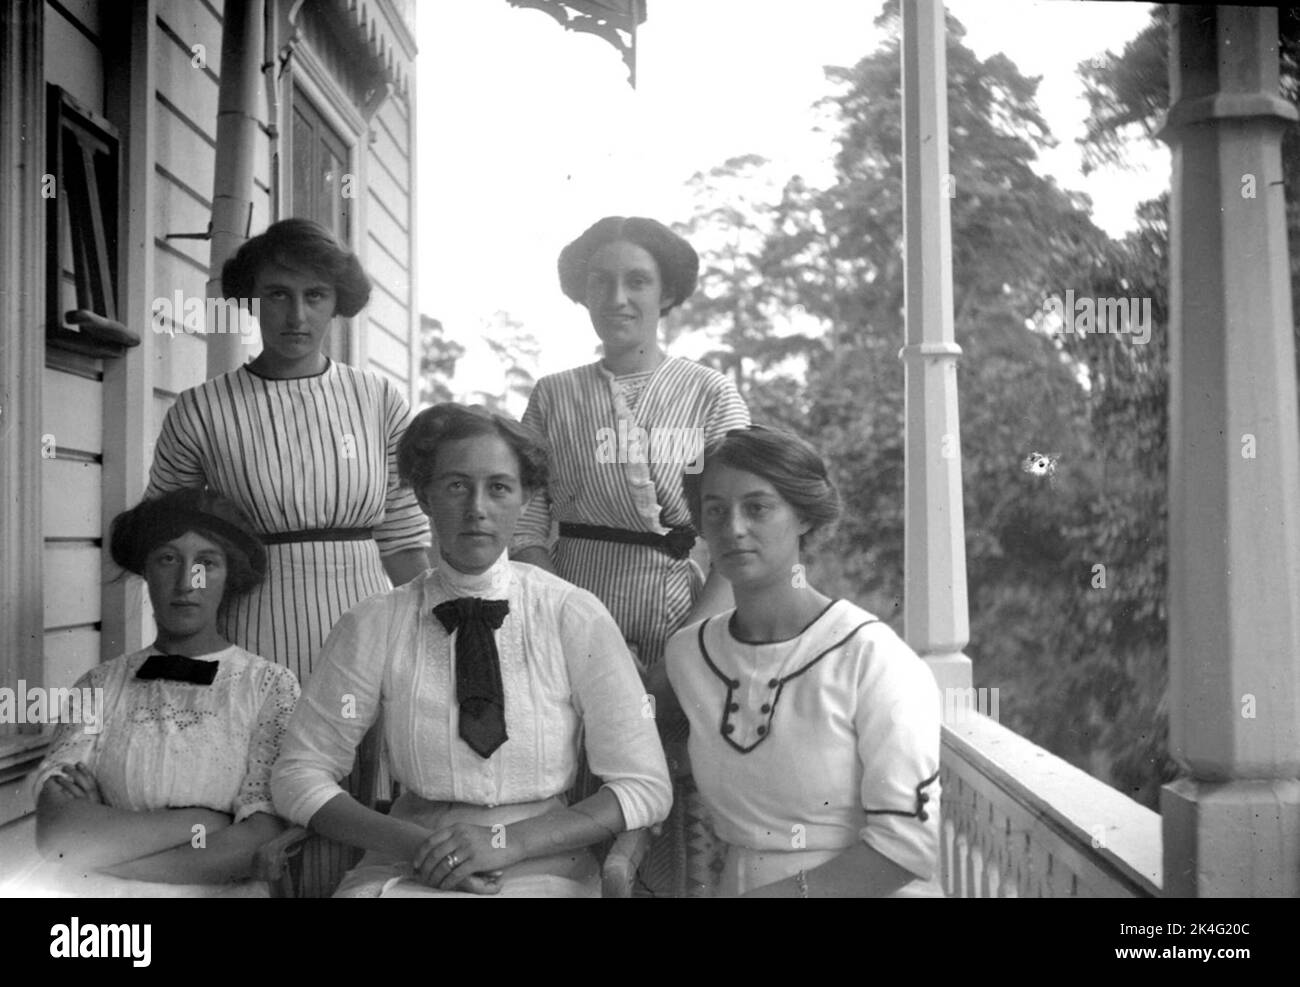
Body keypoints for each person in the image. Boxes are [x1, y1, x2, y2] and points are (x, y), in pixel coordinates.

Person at [272, 404, 671, 897]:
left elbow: (644, 786)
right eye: (456, 485)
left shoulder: (573, 615)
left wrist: (511, 842)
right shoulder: (375, 621)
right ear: (424, 495)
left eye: (499, 487)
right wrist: (421, 845)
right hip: (408, 862)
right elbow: (298, 773)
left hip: (545, 863)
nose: (477, 508)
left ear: (525, 498)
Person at [145, 218, 430, 687]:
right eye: (278, 294)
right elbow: (169, 540)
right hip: (251, 629)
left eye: (315, 295)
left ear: (337, 301)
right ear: (253, 298)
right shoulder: (201, 408)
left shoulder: (378, 400)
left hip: (367, 626)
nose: (297, 315)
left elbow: (403, 541)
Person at [666, 426, 944, 897]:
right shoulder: (689, 655)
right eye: (715, 511)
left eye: (757, 508)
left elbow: (905, 848)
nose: (733, 528)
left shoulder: (872, 658)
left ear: (804, 516)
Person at [510, 216, 750, 700]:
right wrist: (575, 628)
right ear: (583, 291)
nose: (617, 298)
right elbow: (524, 528)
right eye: (601, 281)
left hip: (682, 621)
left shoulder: (710, 394)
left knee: (672, 762)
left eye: (637, 281)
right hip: (568, 616)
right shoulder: (554, 396)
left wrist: (687, 647)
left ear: (665, 294)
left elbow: (737, 530)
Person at [25, 489, 299, 897]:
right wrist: (206, 823)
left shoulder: (268, 687)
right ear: (146, 571)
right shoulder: (99, 685)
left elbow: (256, 845)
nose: (187, 581)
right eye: (168, 559)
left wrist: (113, 851)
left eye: (207, 562)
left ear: (229, 576)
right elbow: (59, 836)